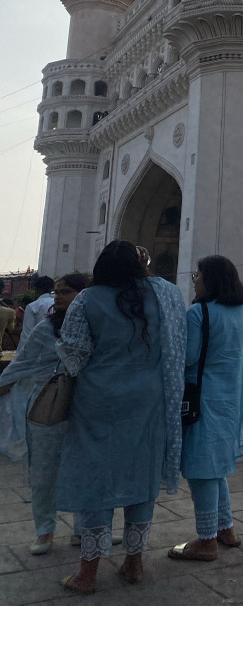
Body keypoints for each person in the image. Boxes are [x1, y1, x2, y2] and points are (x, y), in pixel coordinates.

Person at [55, 241, 187, 594]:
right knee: (141, 474)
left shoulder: (88, 299)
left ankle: (87, 573)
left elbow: (73, 354)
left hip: (98, 400)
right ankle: (134, 562)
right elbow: (178, 342)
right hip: (148, 400)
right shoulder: (165, 295)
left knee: (96, 477)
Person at [168, 255, 243, 563]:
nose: (195, 280)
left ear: (211, 279)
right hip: (229, 400)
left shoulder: (198, 312)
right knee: (216, 467)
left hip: (201, 400)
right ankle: (226, 528)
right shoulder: (239, 313)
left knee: (201, 469)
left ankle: (206, 540)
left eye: (198, 274)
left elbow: (189, 357)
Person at [0, 273, 90, 554]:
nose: (58, 297)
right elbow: (23, 361)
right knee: (43, 471)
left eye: (66, 291)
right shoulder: (47, 328)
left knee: (82, 468)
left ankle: (83, 529)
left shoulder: (93, 326)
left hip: (84, 404)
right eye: (56, 292)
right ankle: (44, 530)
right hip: (47, 403)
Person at [19, 276, 55, 348]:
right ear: (52, 288)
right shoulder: (59, 303)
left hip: (37, 349)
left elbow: (26, 334)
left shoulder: (33, 306)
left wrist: (20, 356)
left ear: (36, 289)